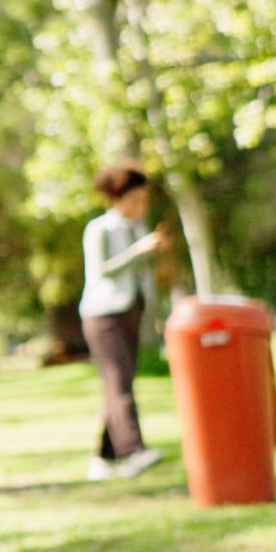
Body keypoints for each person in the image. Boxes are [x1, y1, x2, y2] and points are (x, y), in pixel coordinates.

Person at [79, 162, 170, 480]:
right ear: (118, 198)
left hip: (131, 309)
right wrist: (138, 251)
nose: (140, 206)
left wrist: (153, 252)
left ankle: (102, 460)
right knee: (119, 382)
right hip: (104, 315)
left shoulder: (138, 228)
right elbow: (102, 270)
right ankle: (133, 451)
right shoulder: (100, 229)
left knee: (119, 383)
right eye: (135, 200)